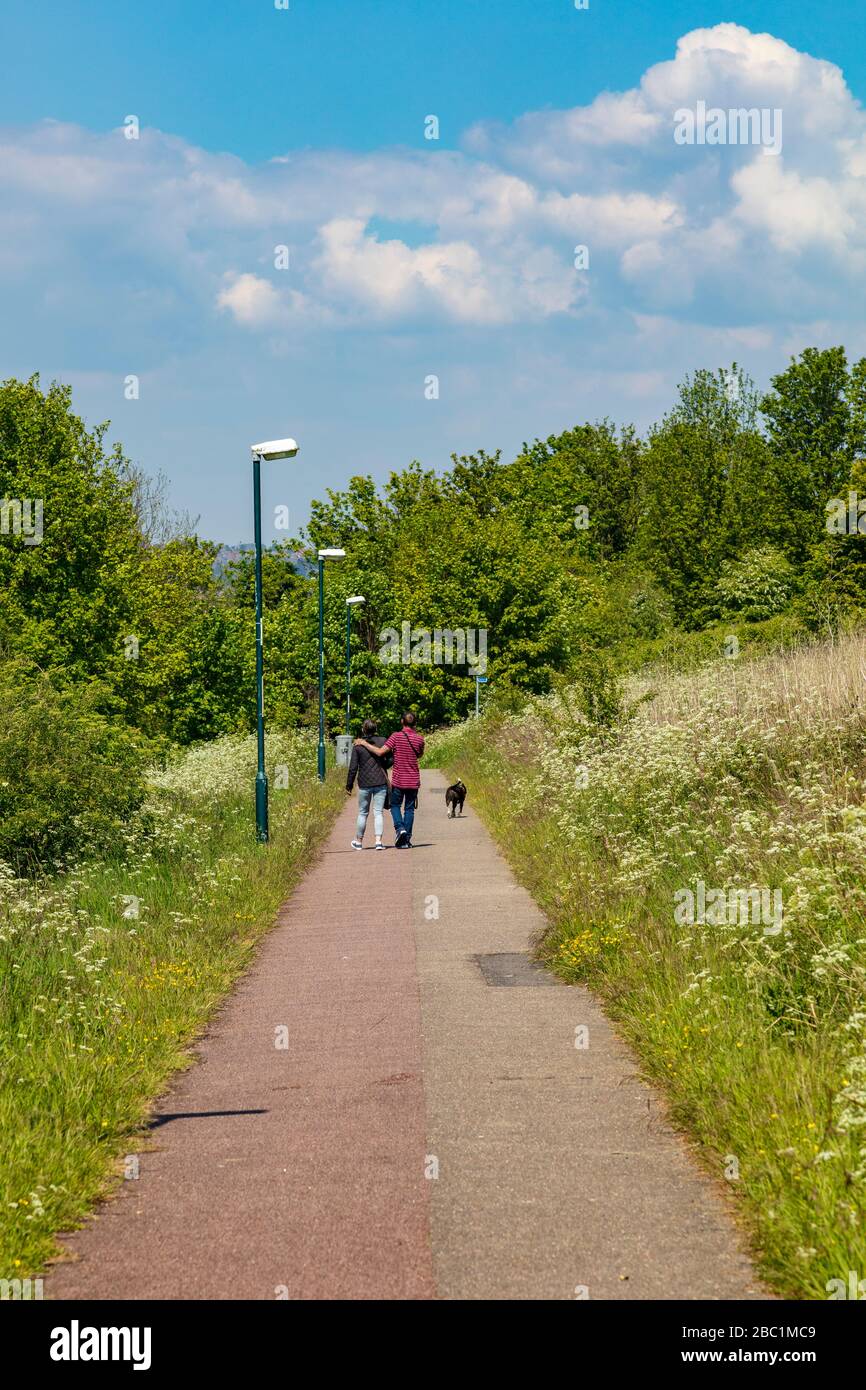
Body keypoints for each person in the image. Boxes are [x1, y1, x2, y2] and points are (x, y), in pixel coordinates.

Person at [355, 711, 424, 848]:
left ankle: (400, 829)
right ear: (415, 723)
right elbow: (420, 754)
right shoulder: (419, 739)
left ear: (401, 722)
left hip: (399, 780)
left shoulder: (396, 737)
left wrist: (363, 743)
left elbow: (380, 752)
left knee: (395, 806)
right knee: (409, 809)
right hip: (413, 779)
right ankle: (406, 840)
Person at [346, 718, 392, 851]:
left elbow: (353, 768)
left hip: (364, 783)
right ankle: (378, 841)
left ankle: (359, 841)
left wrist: (349, 785)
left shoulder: (358, 745)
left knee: (362, 813)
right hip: (380, 781)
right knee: (378, 813)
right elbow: (391, 759)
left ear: (363, 729)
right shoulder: (383, 741)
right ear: (375, 729)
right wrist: (383, 766)